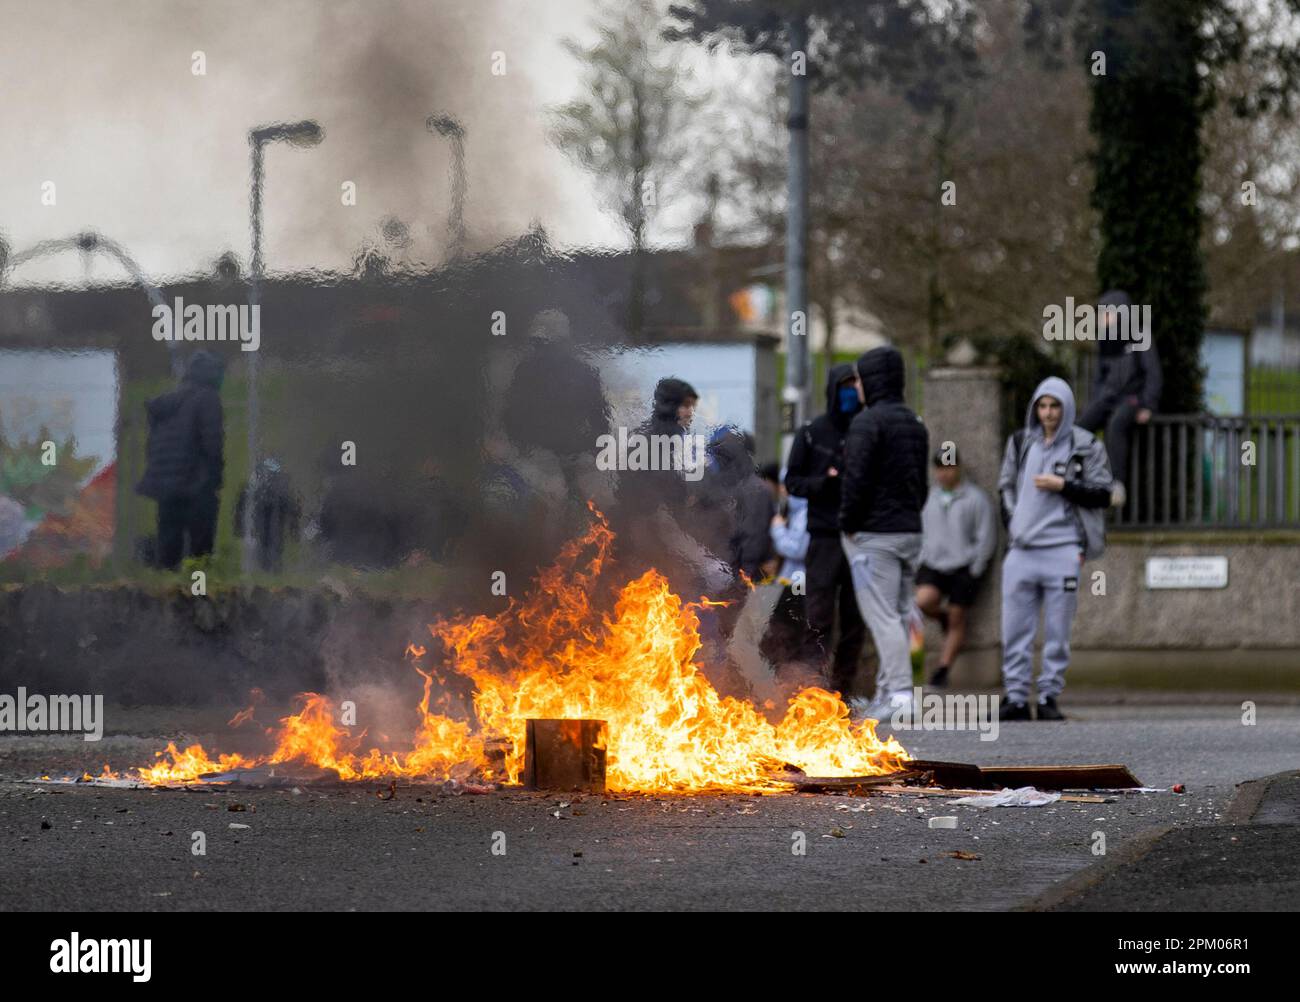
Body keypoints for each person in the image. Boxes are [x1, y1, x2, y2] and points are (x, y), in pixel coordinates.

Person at [998, 376, 1112, 721]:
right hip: (1022, 550)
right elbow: (1005, 485)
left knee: (1058, 630)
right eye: (1043, 406)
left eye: (1055, 406)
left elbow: (1104, 492)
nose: (1048, 413)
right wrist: (1014, 522)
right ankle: (1016, 697)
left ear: (1067, 408)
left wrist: (1064, 485)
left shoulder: (1086, 445)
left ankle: (1048, 696)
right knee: (1014, 628)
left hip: (1062, 549)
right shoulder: (1020, 443)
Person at [838, 346, 929, 719]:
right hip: (910, 531)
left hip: (876, 535)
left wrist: (848, 522)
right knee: (905, 611)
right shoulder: (914, 422)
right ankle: (890, 690)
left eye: (859, 378)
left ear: (871, 381)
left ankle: (901, 695)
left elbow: (855, 480)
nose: (856, 386)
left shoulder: (866, 423)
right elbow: (921, 485)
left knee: (883, 616)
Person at [784, 363, 868, 695]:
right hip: (824, 539)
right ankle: (812, 692)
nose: (850, 392)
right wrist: (826, 483)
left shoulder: (868, 428)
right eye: (844, 385)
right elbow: (793, 481)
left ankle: (842, 692)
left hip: (859, 538)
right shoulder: (812, 432)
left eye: (854, 385)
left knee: (855, 621)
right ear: (833, 389)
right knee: (817, 617)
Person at [915, 447, 997, 687]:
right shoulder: (928, 498)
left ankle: (942, 669)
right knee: (923, 601)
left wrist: (976, 567)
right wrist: (920, 559)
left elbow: (986, 536)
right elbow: (921, 532)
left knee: (957, 616)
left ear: (958, 467)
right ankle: (942, 617)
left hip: (964, 566)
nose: (944, 474)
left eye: (949, 467)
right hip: (934, 564)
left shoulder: (976, 498)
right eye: (940, 468)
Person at [135, 351, 225, 569]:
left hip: (164, 481)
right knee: (200, 543)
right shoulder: (207, 398)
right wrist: (214, 478)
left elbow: (152, 445)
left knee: (168, 537)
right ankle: (198, 589)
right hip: (194, 480)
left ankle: (166, 588)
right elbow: (212, 443)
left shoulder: (168, 404)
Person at [1076, 289, 1161, 508]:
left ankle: (1116, 484)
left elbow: (1153, 373)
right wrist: (1096, 402)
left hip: (1132, 398)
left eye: (1107, 313)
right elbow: (1099, 377)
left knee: (1115, 426)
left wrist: (1149, 405)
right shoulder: (1106, 340)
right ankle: (1079, 475)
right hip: (1108, 397)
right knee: (1081, 426)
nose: (1102, 318)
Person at [760, 466, 814, 671]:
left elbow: (797, 549)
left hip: (798, 584)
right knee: (779, 636)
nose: (782, 490)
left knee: (791, 636)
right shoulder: (794, 511)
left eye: (786, 485)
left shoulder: (806, 512)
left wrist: (777, 529)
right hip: (787, 581)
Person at [235, 458, 302, 572]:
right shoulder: (258, 486)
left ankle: (271, 568)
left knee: (271, 542)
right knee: (267, 542)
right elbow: (291, 507)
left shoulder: (260, 486)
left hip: (271, 517)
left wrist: (294, 528)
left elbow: (291, 506)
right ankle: (269, 568)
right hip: (266, 517)